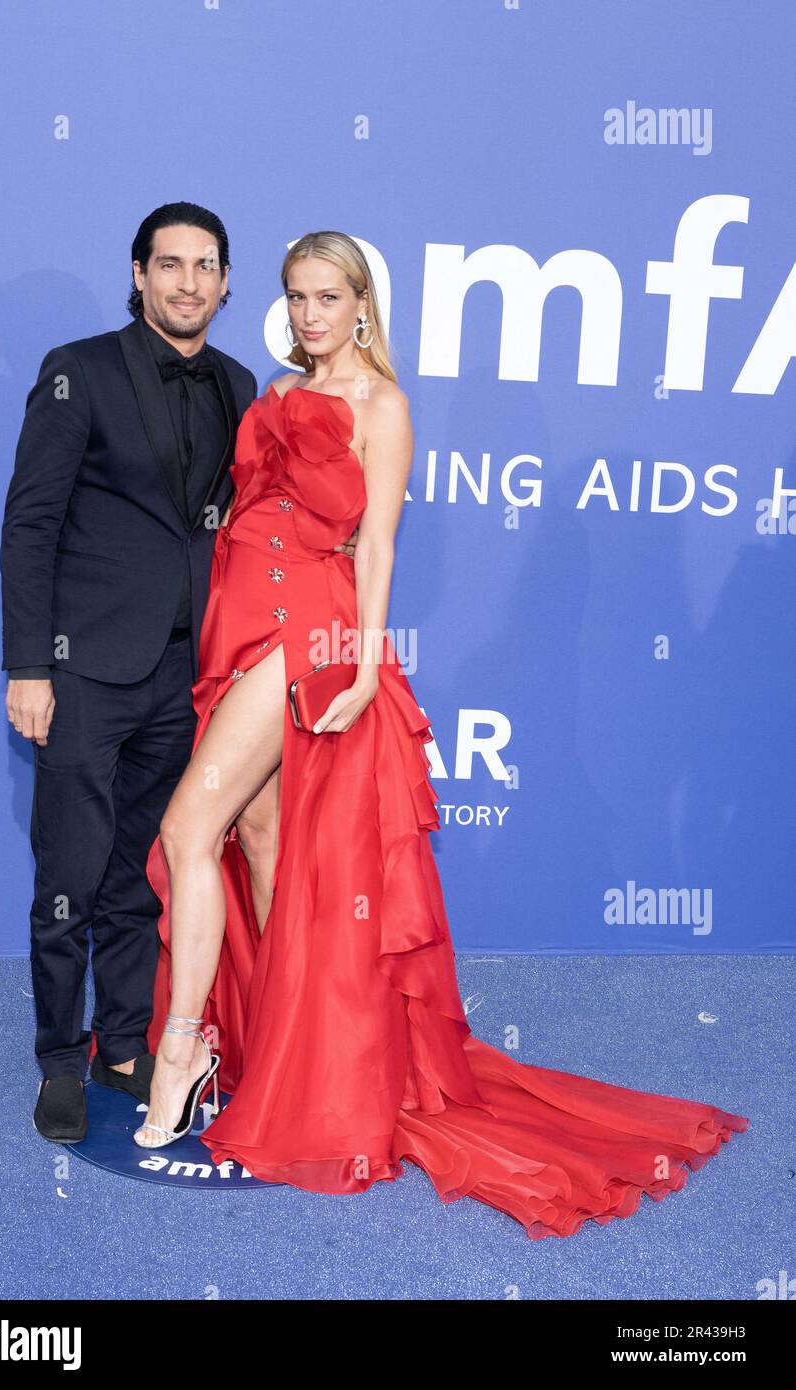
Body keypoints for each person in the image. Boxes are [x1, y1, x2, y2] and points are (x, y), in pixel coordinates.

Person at [134, 231, 749, 1240]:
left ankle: (183, 1051)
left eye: (328, 297)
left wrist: (366, 660)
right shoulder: (270, 395)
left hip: (307, 637)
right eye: (295, 298)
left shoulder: (383, 406)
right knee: (257, 846)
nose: (309, 316)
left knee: (184, 832)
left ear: (364, 304)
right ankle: (303, 1056)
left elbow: (374, 543)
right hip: (238, 628)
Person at [1, 202, 357, 1145]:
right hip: (84, 671)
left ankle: (125, 1045)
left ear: (228, 283)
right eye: (170, 265)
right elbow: (30, 523)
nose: (188, 282)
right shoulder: (78, 373)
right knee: (69, 874)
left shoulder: (244, 385)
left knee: (144, 872)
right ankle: (58, 1060)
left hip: (191, 672)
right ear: (138, 273)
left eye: (206, 267)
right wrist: (30, 666)